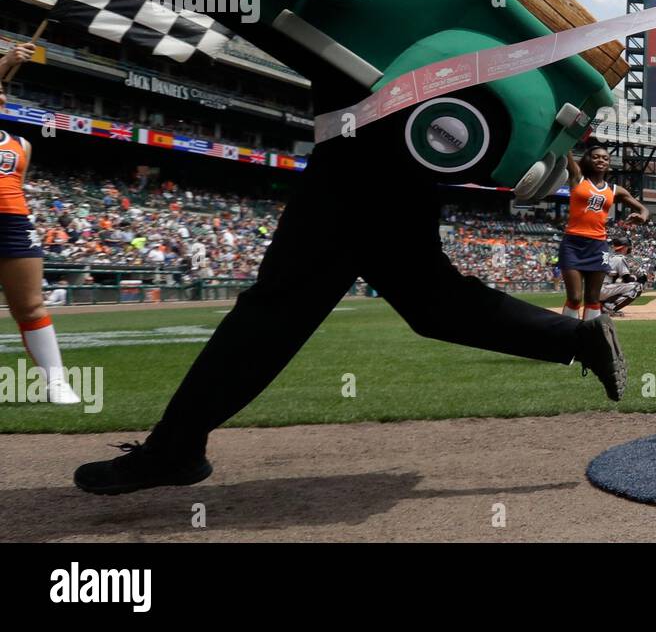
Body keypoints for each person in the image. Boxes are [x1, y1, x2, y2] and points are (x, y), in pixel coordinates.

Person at [74, 80, 628, 496]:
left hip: (366, 142)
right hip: (391, 140)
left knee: (278, 307)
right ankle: (577, 340)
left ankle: (176, 448)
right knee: (427, 300)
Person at [0, 42, 79, 405]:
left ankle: (56, 382)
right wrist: (6, 61)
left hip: (14, 223)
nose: (2, 94)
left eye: (3, 92)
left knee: (30, 306)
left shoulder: (22, 144)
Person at [560, 144, 648, 321]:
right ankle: (567, 337)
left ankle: (589, 340)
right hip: (573, 244)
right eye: (596, 157)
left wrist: (642, 216)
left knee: (593, 298)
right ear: (587, 159)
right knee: (575, 297)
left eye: (605, 158)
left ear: (609, 164)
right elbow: (565, 149)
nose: (601, 160)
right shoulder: (578, 178)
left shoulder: (614, 190)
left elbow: (642, 208)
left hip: (598, 246)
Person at [601, 237, 647, 317]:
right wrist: (636, 278)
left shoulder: (609, 257)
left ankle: (603, 306)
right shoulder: (620, 258)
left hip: (597, 290)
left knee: (620, 282)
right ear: (625, 247)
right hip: (604, 289)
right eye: (628, 247)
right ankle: (609, 308)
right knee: (637, 287)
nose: (629, 249)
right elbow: (627, 279)